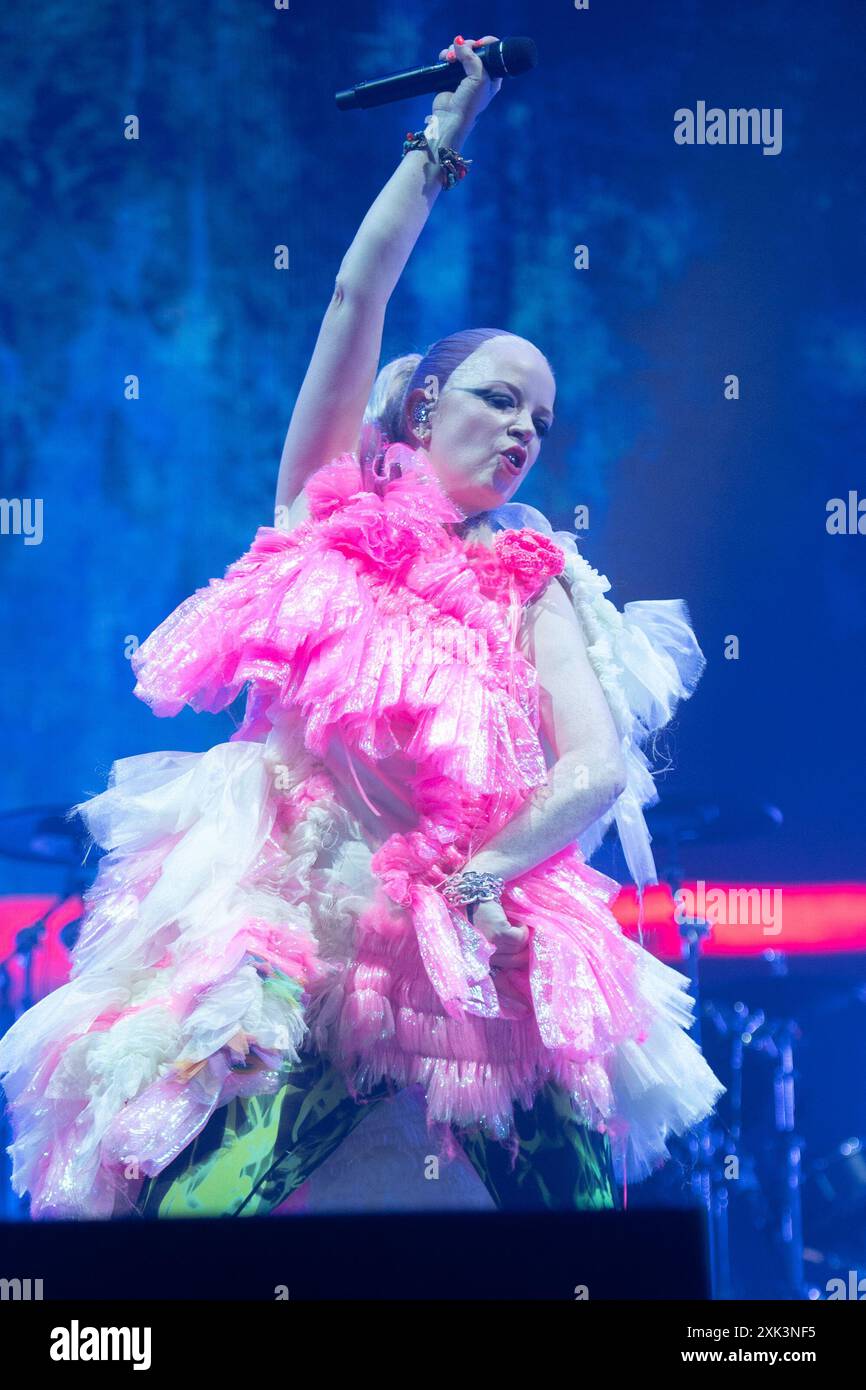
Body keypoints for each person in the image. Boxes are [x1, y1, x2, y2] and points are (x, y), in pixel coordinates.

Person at [0, 35, 723, 1221]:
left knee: (586, 1241)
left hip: (471, 942)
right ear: (425, 401)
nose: (525, 430)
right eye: (500, 396)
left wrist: (479, 879)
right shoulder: (322, 507)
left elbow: (594, 765)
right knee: (192, 1227)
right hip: (301, 939)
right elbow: (356, 290)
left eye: (542, 418)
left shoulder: (532, 575)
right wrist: (448, 126)